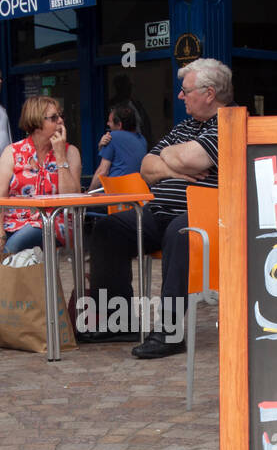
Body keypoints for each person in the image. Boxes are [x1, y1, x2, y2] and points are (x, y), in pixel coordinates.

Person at [84, 58, 231, 357]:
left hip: (207, 217)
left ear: (209, 93)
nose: (180, 96)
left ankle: (169, 332)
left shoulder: (229, 124)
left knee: (181, 233)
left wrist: (168, 157)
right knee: (108, 229)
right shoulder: (185, 127)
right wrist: (172, 166)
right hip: (159, 212)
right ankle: (119, 323)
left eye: (186, 90)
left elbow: (196, 160)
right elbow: (146, 166)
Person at [0, 96, 81, 285]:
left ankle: (16, 305)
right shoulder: (12, 152)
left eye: (60, 116)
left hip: (51, 220)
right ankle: (5, 304)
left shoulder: (70, 152)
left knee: (14, 247)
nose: (61, 121)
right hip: (12, 218)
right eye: (53, 118)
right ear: (36, 123)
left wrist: (60, 155)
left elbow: (71, 198)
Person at [88, 103, 147, 192]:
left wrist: (89, 192)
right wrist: (101, 147)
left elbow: (102, 171)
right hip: (138, 194)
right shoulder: (142, 139)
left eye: (110, 121)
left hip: (116, 195)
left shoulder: (112, 137)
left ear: (119, 125)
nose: (107, 124)